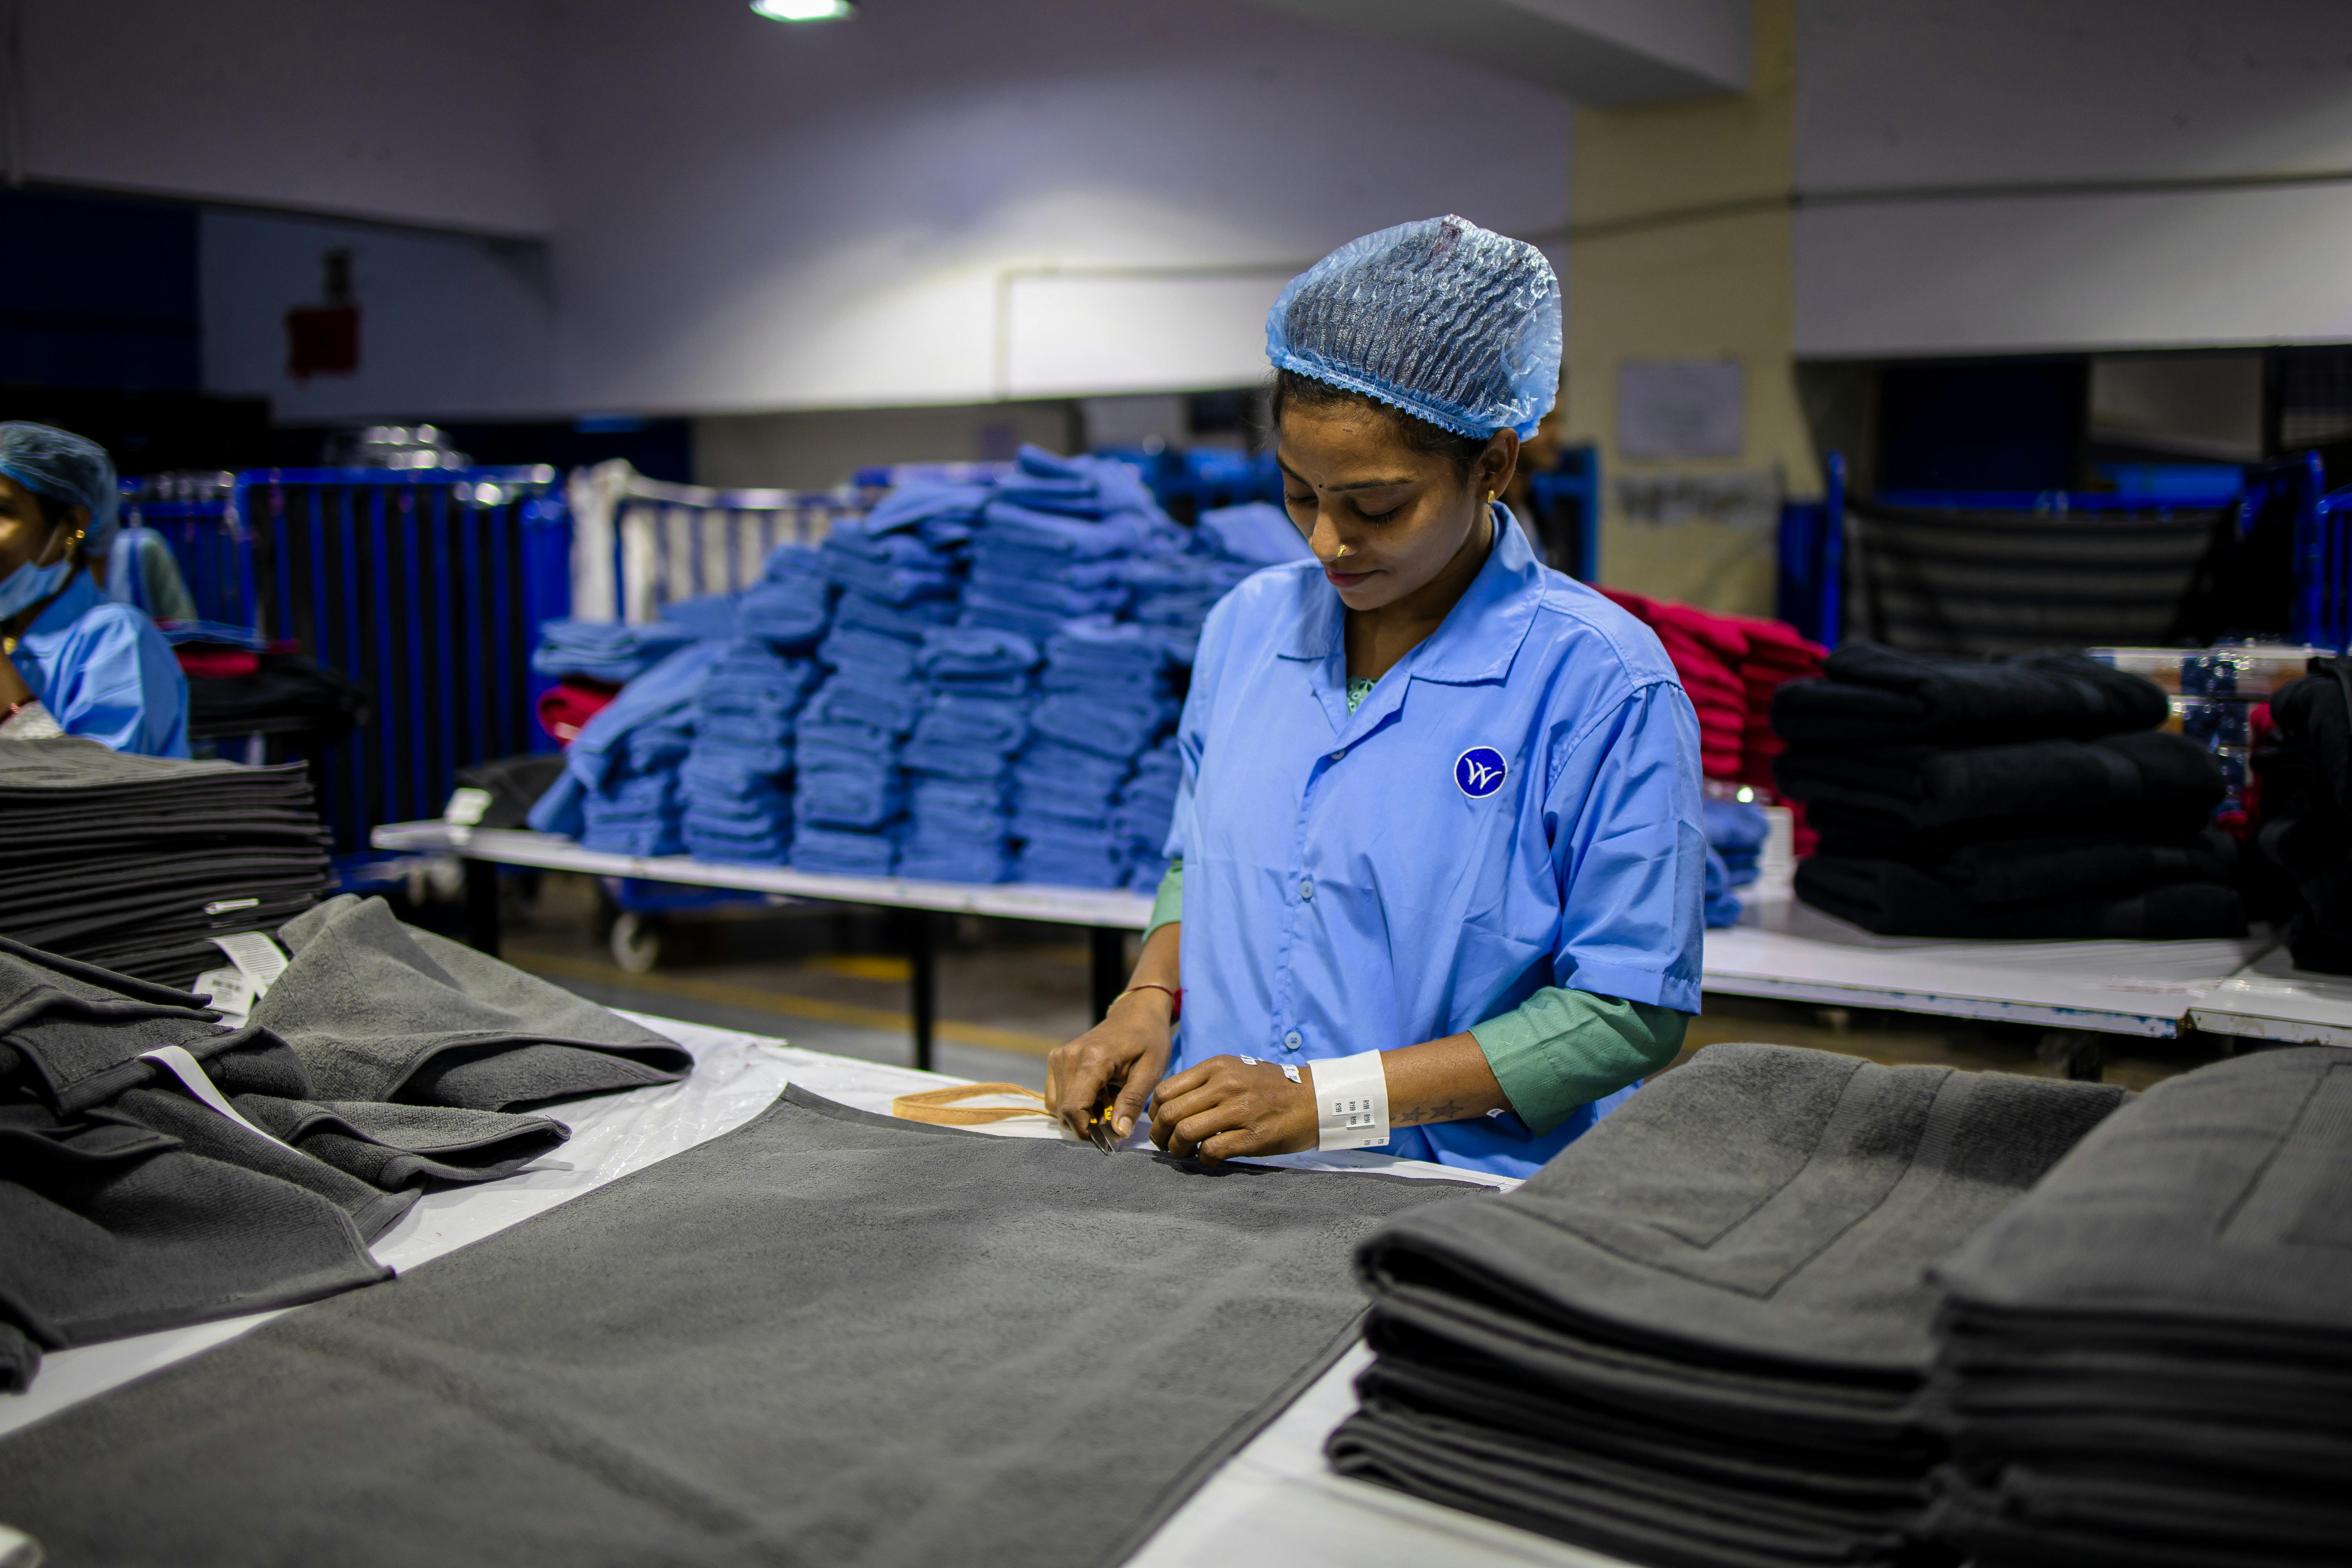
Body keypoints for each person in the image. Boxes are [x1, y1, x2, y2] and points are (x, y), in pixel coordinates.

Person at [1046, 216, 1702, 1180]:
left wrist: (1328, 1101)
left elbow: (1628, 1010)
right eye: (1300, 493)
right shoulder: (1244, 629)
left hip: (1455, 1193)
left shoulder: (1600, 682)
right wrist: (1149, 997)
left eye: (1377, 507)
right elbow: (1203, 859)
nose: (1325, 543)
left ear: (1493, 466)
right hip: (1224, 1174)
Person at [0, 423, 190, 756]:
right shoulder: (12, 638)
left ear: (72, 526)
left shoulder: (117, 640)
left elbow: (98, 794)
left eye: (2, 512)